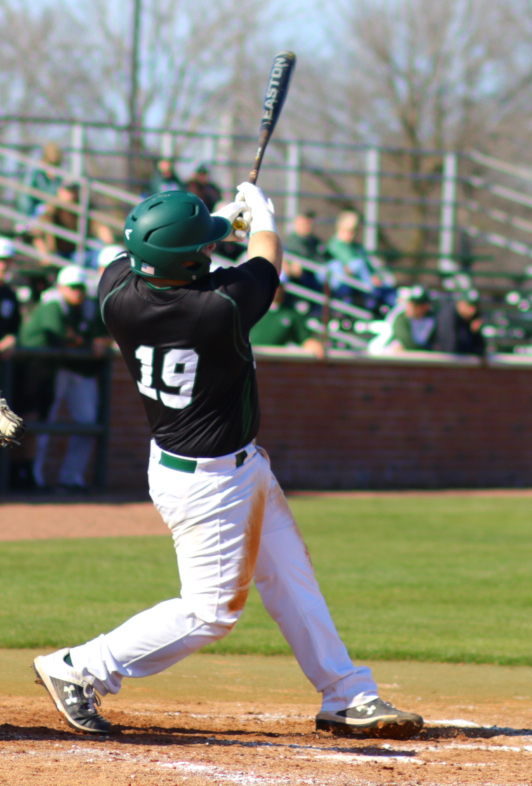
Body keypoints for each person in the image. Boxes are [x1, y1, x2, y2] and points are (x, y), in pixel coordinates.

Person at [33, 185, 423, 740]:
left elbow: (159, 254)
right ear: (190, 261)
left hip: (222, 465)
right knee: (211, 611)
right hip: (209, 481)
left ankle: (347, 694)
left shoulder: (114, 290)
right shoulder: (215, 308)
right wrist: (256, 217)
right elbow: (266, 258)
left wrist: (215, 226)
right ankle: (81, 668)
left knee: (292, 579)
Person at [19, 265, 104, 492]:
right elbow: (59, 336)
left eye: (80, 287)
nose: (77, 292)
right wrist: (86, 342)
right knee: (43, 423)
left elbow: (102, 336)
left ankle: (71, 478)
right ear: (61, 287)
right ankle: (35, 478)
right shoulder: (53, 302)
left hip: (78, 371)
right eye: (72, 287)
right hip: (48, 370)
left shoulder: (89, 306)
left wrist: (94, 341)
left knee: (87, 423)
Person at [325, 211, 397, 314]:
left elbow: (370, 264)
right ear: (340, 228)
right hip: (351, 285)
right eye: (349, 230)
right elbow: (351, 266)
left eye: (354, 230)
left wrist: (375, 276)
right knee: (358, 264)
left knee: (390, 290)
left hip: (369, 282)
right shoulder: (334, 246)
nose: (352, 234)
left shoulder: (357, 247)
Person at [31, 182, 115, 266]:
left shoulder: (82, 206)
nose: (71, 194)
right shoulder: (52, 209)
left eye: (74, 191)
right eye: (67, 191)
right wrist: (44, 255)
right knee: (79, 259)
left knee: (99, 253)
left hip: (80, 251)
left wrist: (109, 244)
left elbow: (99, 226)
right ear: (60, 192)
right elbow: (38, 234)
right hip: (60, 254)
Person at [250, 283, 324, 358]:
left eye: (278, 286)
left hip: (274, 363)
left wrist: (316, 347)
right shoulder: (249, 310)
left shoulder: (291, 314)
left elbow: (307, 340)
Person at [283, 210, 327, 297]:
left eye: (310, 222)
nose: (308, 225)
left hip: (314, 274)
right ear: (297, 222)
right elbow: (306, 259)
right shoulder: (294, 241)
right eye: (305, 222)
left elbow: (325, 255)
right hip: (306, 275)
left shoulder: (314, 240)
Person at [18, 141, 63, 217]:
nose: (53, 170)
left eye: (56, 165)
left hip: (55, 212)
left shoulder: (60, 177)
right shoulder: (35, 174)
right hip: (35, 213)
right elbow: (25, 199)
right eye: (51, 164)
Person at [435, 290, 485, 356]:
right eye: (469, 305)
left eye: (475, 306)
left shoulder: (472, 317)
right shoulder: (448, 316)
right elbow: (451, 349)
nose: (472, 310)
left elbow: (480, 351)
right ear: (461, 303)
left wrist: (475, 334)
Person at [388, 285, 436, 353]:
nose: (413, 307)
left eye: (417, 305)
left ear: (426, 306)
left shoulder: (432, 319)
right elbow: (406, 343)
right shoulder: (401, 319)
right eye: (411, 303)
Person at [0, 238, 21, 360]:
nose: (3, 266)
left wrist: (11, 339)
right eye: (0, 260)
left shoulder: (9, 295)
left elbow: (14, 326)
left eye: (7, 261)